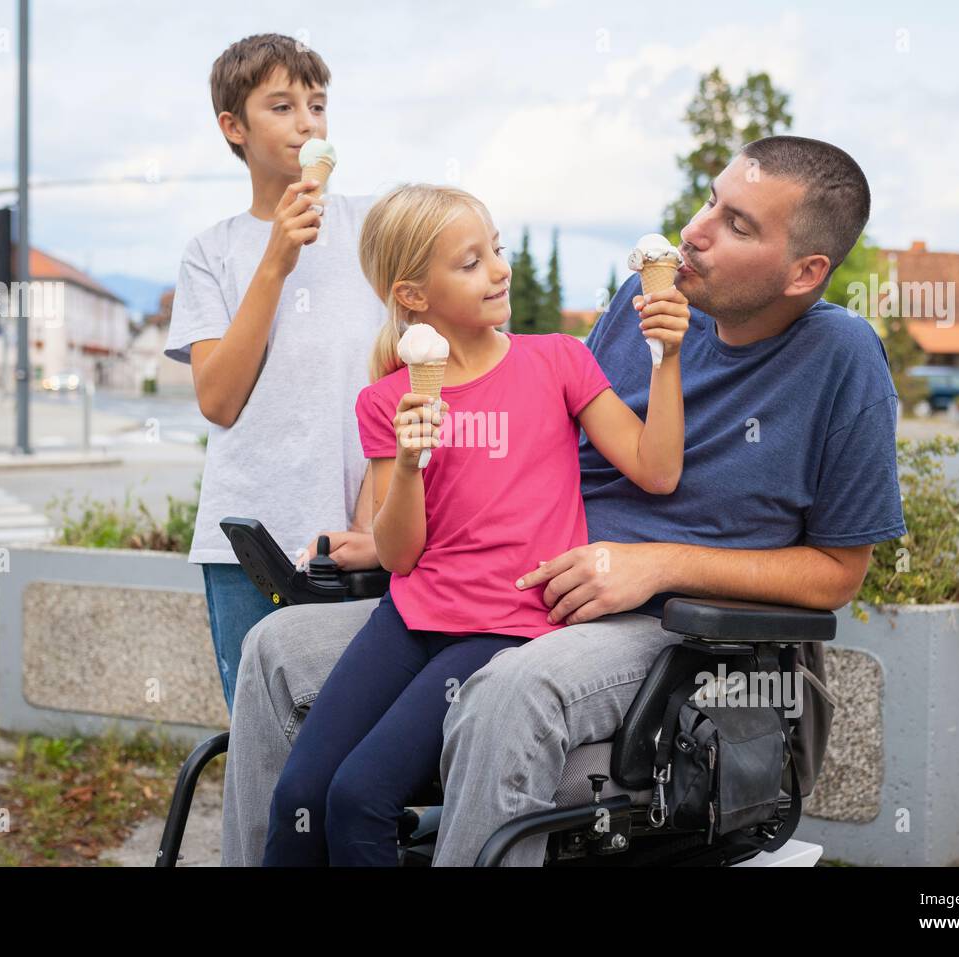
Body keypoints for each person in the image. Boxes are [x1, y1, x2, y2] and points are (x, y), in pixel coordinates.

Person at [220, 134, 908, 867]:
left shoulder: (843, 358)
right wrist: (402, 526)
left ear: (806, 272)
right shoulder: (641, 299)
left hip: (663, 624)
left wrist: (654, 564)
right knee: (277, 648)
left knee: (506, 690)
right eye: (710, 201)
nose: (694, 232)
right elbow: (531, 439)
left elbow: (837, 572)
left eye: (738, 225)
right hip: (510, 583)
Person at [260, 184, 688, 865]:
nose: (498, 269)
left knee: (358, 798)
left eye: (497, 249)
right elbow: (401, 557)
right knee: (301, 794)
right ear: (414, 295)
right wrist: (406, 462)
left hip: (504, 624)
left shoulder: (558, 362)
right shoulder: (387, 399)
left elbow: (657, 468)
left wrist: (666, 357)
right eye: (470, 262)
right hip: (410, 620)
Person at [164, 34, 384, 711]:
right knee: (261, 742)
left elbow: (408, 372)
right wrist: (275, 261)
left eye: (317, 106)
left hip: (369, 537)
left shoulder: (375, 228)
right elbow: (220, 399)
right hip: (248, 545)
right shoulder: (212, 252)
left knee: (353, 742)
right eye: (283, 106)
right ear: (234, 127)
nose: (307, 123)